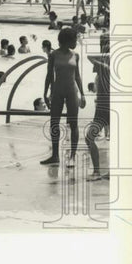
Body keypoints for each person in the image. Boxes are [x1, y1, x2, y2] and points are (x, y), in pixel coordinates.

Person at [41, 28, 86, 166]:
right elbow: (49, 75)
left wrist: (83, 94)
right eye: (74, 40)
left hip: (72, 91)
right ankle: (55, 155)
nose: (76, 42)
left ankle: (72, 156)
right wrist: (45, 92)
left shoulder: (75, 55)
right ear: (67, 40)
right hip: (57, 91)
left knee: (73, 123)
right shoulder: (53, 55)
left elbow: (77, 75)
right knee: (54, 123)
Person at [85, 48, 110, 180]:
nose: (92, 65)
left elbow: (89, 56)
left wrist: (104, 55)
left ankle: (96, 172)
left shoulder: (104, 68)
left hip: (104, 110)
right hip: (105, 109)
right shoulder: (105, 71)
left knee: (89, 138)